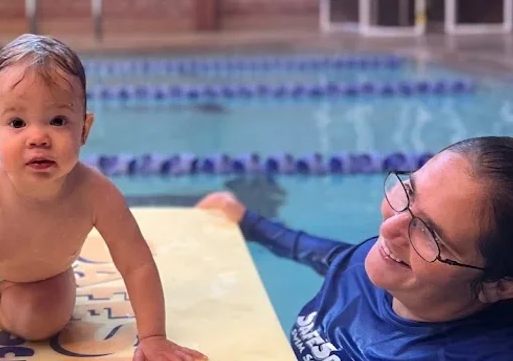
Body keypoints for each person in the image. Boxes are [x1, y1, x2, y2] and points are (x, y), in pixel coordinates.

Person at [0, 34, 207, 361]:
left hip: (34, 279)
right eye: (17, 122)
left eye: (58, 120)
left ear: (84, 130)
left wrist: (153, 336)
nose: (38, 137)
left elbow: (137, 264)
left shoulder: (96, 193)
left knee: (45, 319)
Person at [196, 136, 513, 360]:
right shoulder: (374, 266)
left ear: (499, 286)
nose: (389, 229)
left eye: (430, 234)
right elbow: (334, 259)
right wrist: (251, 224)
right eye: (408, 193)